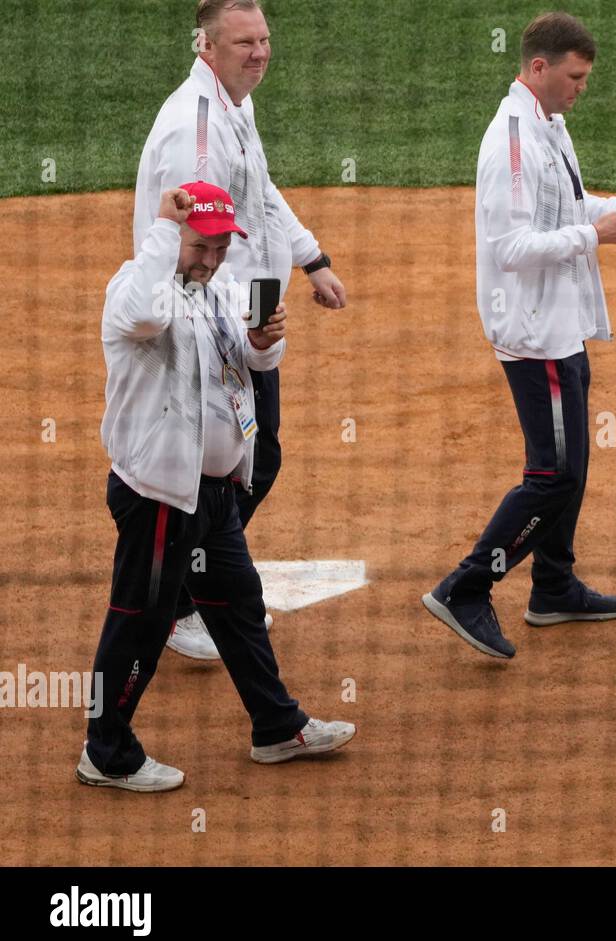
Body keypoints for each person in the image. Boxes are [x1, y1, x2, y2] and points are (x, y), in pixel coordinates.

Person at [78, 183, 354, 793]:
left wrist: (263, 342)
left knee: (238, 607)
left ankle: (276, 726)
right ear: (173, 238)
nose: (210, 258)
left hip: (214, 494)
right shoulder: (133, 287)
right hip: (158, 496)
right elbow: (147, 315)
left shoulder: (222, 289)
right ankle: (106, 751)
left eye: (221, 246)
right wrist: (160, 228)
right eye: (200, 245)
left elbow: (250, 364)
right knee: (140, 621)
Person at [421, 11, 616, 660]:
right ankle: (467, 587)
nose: (582, 87)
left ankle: (552, 586)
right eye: (575, 76)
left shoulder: (548, 125)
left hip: (561, 323)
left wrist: (612, 211)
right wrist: (595, 236)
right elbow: (510, 246)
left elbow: (557, 209)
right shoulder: (512, 142)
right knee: (552, 473)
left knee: (572, 466)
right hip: (533, 329)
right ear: (538, 68)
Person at [133, 0, 348, 660]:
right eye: (243, 42)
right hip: (210, 317)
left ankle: (187, 598)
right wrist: (236, 333)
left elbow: (258, 191)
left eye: (264, 40)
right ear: (207, 47)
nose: (258, 53)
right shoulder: (194, 133)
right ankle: (176, 607)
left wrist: (310, 256)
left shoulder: (234, 105)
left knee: (250, 461)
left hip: (245, 308)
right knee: (228, 469)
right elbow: (189, 247)